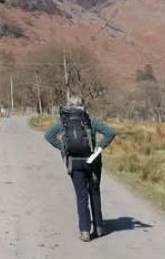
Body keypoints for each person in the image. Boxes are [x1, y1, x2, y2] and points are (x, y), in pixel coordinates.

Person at [44, 95, 117, 242]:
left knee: (81, 196)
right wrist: (98, 149)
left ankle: (85, 231)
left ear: (68, 105)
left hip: (74, 162)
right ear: (83, 105)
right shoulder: (90, 119)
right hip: (93, 161)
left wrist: (64, 148)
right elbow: (110, 133)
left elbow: (49, 135)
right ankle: (99, 228)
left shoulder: (64, 121)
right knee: (94, 192)